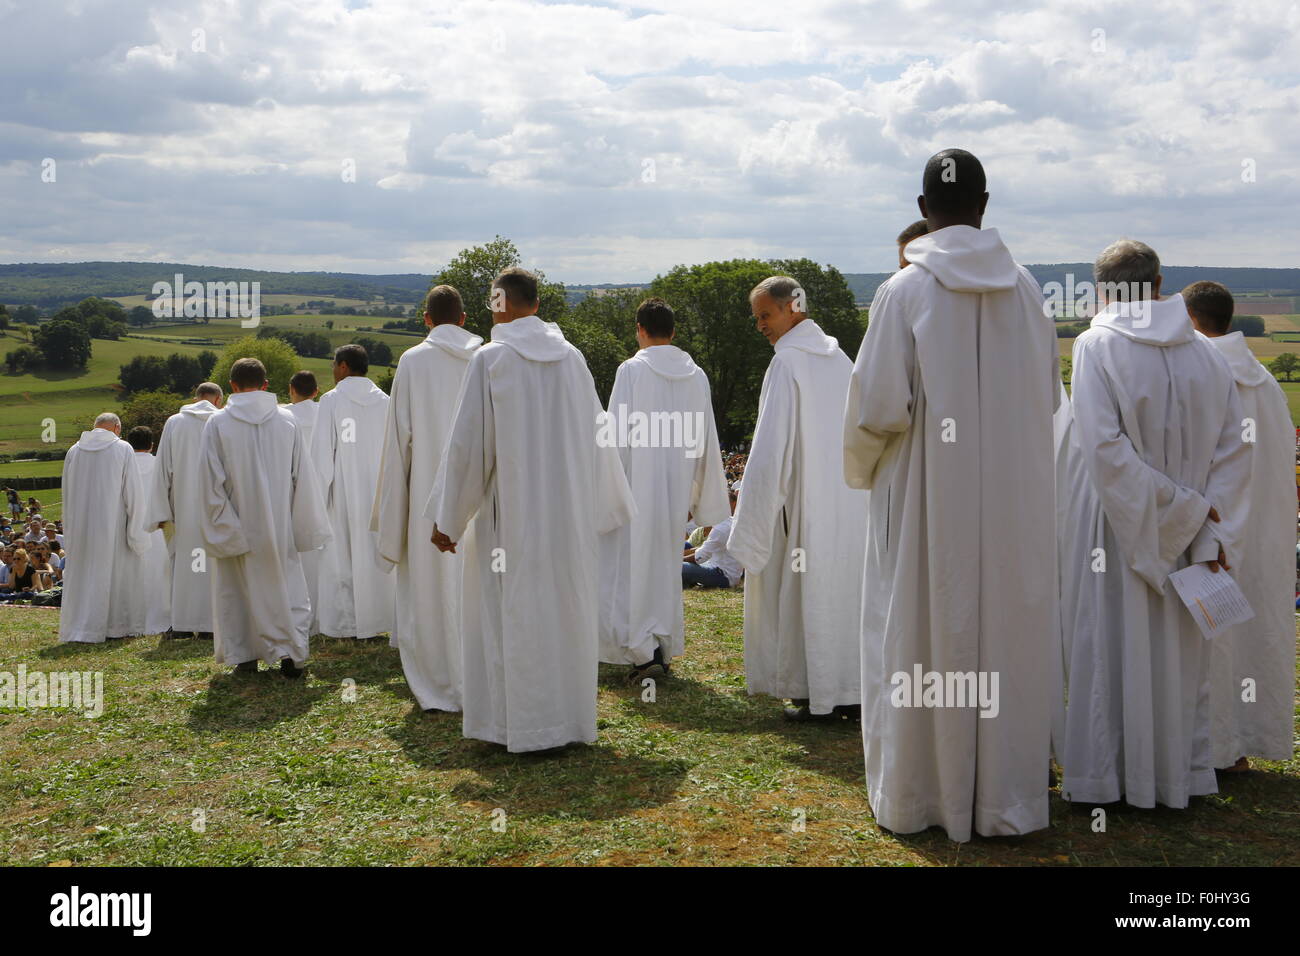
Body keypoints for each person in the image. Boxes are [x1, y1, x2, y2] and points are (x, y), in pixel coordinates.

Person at [844, 149, 1061, 841]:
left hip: (926, 501)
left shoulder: (902, 291)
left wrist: (863, 471)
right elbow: (1046, 397)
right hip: (1010, 500)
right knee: (1005, 635)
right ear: (985, 204)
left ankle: (921, 795)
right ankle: (1003, 797)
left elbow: (877, 409)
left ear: (921, 209)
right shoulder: (1026, 290)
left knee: (924, 630)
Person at [1058, 241, 1250, 809]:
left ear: (1101, 289)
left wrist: (1169, 507)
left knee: (1111, 645)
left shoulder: (1095, 345)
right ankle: (1175, 777)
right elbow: (1235, 449)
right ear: (1161, 282)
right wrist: (1204, 521)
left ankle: (1110, 779)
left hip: (1117, 524)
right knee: (1177, 658)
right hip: (1192, 530)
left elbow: (1103, 446)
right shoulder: (1210, 356)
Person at [427, 267, 635, 752]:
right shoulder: (573, 359)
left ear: (499, 304)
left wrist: (449, 518)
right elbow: (599, 438)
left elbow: (468, 447)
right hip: (567, 516)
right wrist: (605, 506)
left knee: (514, 613)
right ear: (536, 304)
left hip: (512, 517)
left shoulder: (491, 360)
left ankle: (517, 726)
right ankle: (566, 722)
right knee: (563, 610)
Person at [728, 275, 868, 723]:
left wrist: (754, 519)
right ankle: (849, 689)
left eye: (765, 316)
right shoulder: (840, 359)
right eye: (756, 319)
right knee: (842, 593)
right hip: (846, 500)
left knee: (807, 595)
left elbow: (770, 449)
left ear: (794, 307)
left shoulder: (787, 363)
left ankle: (817, 693)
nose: (760, 326)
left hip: (805, 501)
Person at [1183, 279, 1295, 773]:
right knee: (1247, 636)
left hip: (1211, 527)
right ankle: (1238, 743)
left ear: (1190, 321)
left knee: (1206, 645)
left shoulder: (1200, 375)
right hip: (1261, 532)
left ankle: (1207, 748)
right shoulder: (1265, 381)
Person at [598, 297, 730, 680]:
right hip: (675, 489)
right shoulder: (697, 374)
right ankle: (662, 646)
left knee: (632, 570)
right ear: (673, 332)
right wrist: (699, 495)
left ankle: (644, 652)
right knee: (662, 568)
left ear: (639, 329)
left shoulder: (631, 371)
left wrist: (607, 492)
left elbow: (616, 436)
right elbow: (705, 436)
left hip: (636, 486)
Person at [372, 284, 483, 713]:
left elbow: (399, 439)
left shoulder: (413, 361)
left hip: (426, 496)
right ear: (464, 318)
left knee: (430, 588)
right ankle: (479, 677)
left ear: (426, 319)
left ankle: (439, 681)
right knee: (476, 583)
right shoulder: (486, 355)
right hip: (480, 493)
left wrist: (391, 509)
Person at [198, 358, 331, 677]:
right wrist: (304, 527)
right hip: (279, 525)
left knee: (237, 590)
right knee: (286, 588)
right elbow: (304, 477)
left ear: (232, 386)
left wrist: (223, 528)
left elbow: (208, 483)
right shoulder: (287, 421)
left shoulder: (217, 424)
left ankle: (244, 654)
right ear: (266, 384)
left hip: (236, 523)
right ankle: (290, 654)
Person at [312, 344, 394, 641]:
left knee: (342, 557)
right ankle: (379, 619)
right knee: (374, 555)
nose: (333, 370)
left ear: (344, 366)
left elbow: (322, 454)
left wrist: (317, 501)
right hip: (378, 490)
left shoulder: (331, 401)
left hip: (344, 490)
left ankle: (347, 626)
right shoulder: (385, 401)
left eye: (334, 364)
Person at [58, 412, 152, 643]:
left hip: (81, 528)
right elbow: (133, 495)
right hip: (113, 526)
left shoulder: (74, 451)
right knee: (115, 575)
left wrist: (69, 531)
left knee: (85, 575)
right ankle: (115, 627)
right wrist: (137, 533)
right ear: (117, 429)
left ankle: (80, 626)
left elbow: (66, 494)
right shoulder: (123, 449)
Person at [151, 383, 223, 639]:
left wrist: (160, 511)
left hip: (181, 508)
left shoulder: (174, 422)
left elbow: (162, 469)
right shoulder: (222, 420)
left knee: (184, 566)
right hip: (216, 508)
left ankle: (182, 623)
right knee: (212, 567)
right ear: (218, 400)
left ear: (196, 398)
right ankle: (210, 625)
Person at [124, 425, 172, 636]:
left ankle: (131, 618)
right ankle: (162, 617)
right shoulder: (159, 465)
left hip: (128, 525)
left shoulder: (122, 466)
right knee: (160, 575)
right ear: (152, 445)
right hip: (157, 527)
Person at [286, 370, 322, 635]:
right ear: (316, 391)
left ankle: (296, 610)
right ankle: (321, 612)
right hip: (323, 489)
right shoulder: (325, 412)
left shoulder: (283, 417)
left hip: (289, 491)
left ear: (291, 389)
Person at [683, 489, 742, 589]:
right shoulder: (727, 522)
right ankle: (687, 582)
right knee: (685, 551)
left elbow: (700, 556)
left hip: (724, 576)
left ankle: (686, 581)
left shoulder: (720, 528)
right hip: (720, 568)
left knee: (681, 567)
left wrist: (678, 561)